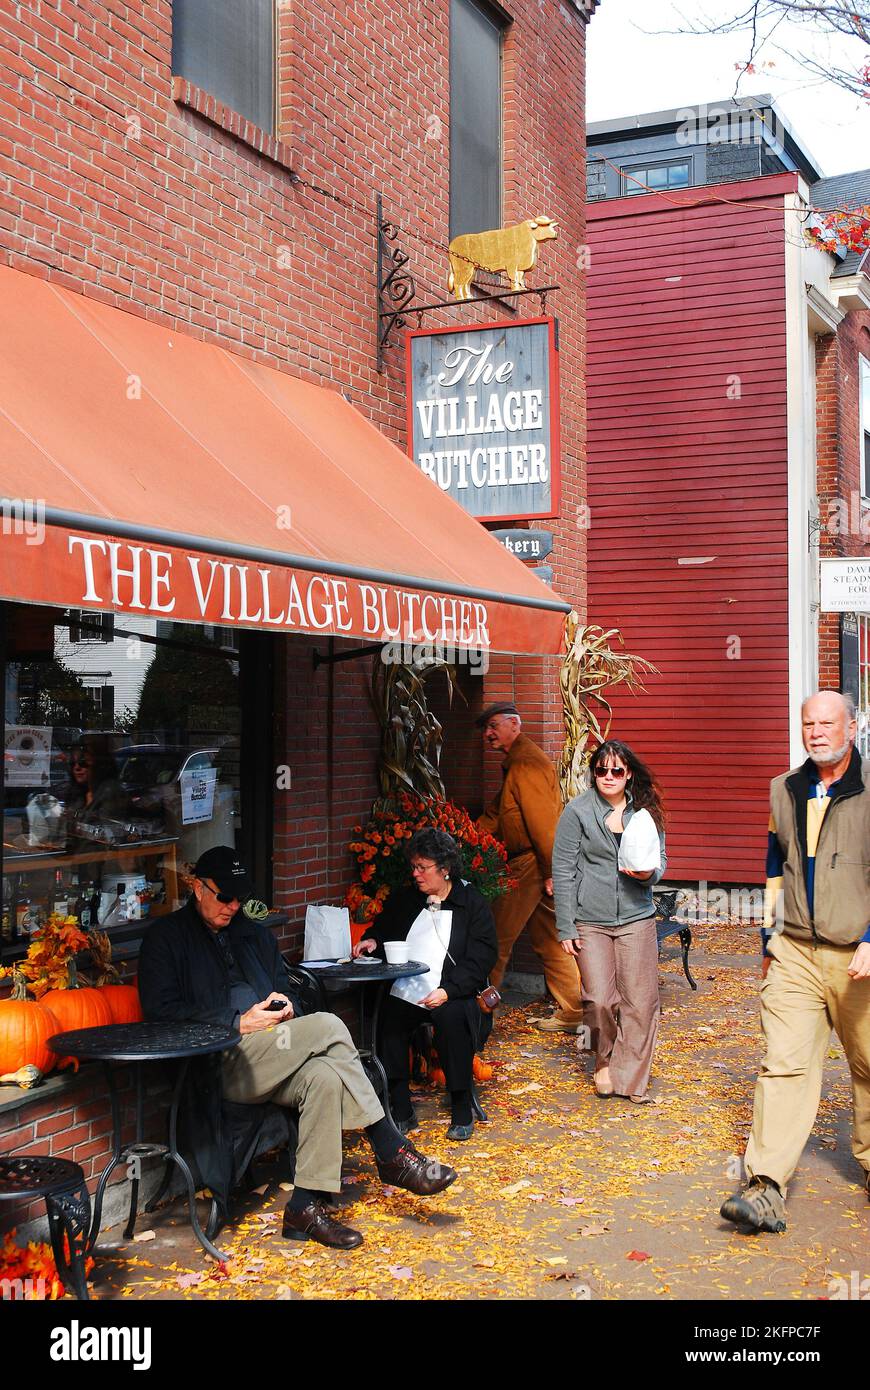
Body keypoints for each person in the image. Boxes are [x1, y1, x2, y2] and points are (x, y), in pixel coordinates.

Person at [138, 845, 457, 1251]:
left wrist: (289, 1007)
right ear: (198, 888)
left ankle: (304, 1208)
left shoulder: (251, 933)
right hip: (218, 1058)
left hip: (276, 1045)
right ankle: (389, 1147)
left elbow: (291, 988)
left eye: (240, 898)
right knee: (328, 1025)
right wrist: (237, 1022)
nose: (233, 906)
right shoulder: (166, 939)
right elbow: (162, 1014)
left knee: (323, 1076)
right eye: (224, 897)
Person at [720, 691, 870, 1233]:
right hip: (796, 953)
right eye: (808, 723)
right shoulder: (784, 789)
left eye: (827, 722)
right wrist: (769, 940)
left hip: (860, 952)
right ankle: (764, 1186)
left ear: (851, 728)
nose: (816, 731)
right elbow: (774, 867)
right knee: (783, 1064)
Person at [353, 829, 498, 1141]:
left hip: (452, 990)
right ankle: (401, 1107)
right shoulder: (407, 899)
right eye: (414, 867)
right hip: (409, 987)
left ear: (444, 869)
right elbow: (386, 929)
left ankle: (460, 1105)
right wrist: (371, 941)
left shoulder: (470, 902)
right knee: (389, 1018)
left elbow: (483, 956)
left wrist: (449, 990)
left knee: (452, 1019)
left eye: (422, 868)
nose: (415, 874)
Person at [552, 739, 666, 1102]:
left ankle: (630, 1079)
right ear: (594, 773)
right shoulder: (578, 811)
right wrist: (566, 925)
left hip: (636, 917)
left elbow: (659, 860)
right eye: (602, 770)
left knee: (640, 1001)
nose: (609, 776)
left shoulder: (645, 812)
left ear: (628, 773)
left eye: (617, 770)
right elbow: (564, 870)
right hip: (591, 919)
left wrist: (646, 875)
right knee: (599, 999)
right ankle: (602, 1060)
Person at [476, 702, 584, 1032]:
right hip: (537, 863)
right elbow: (497, 815)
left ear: (514, 725)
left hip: (531, 864)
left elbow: (545, 824)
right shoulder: (517, 763)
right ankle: (576, 1011)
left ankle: (478, 1015)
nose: (488, 733)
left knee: (494, 937)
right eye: (485, 728)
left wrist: (552, 872)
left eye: (493, 726)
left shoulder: (526, 763)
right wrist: (464, 839)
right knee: (552, 939)